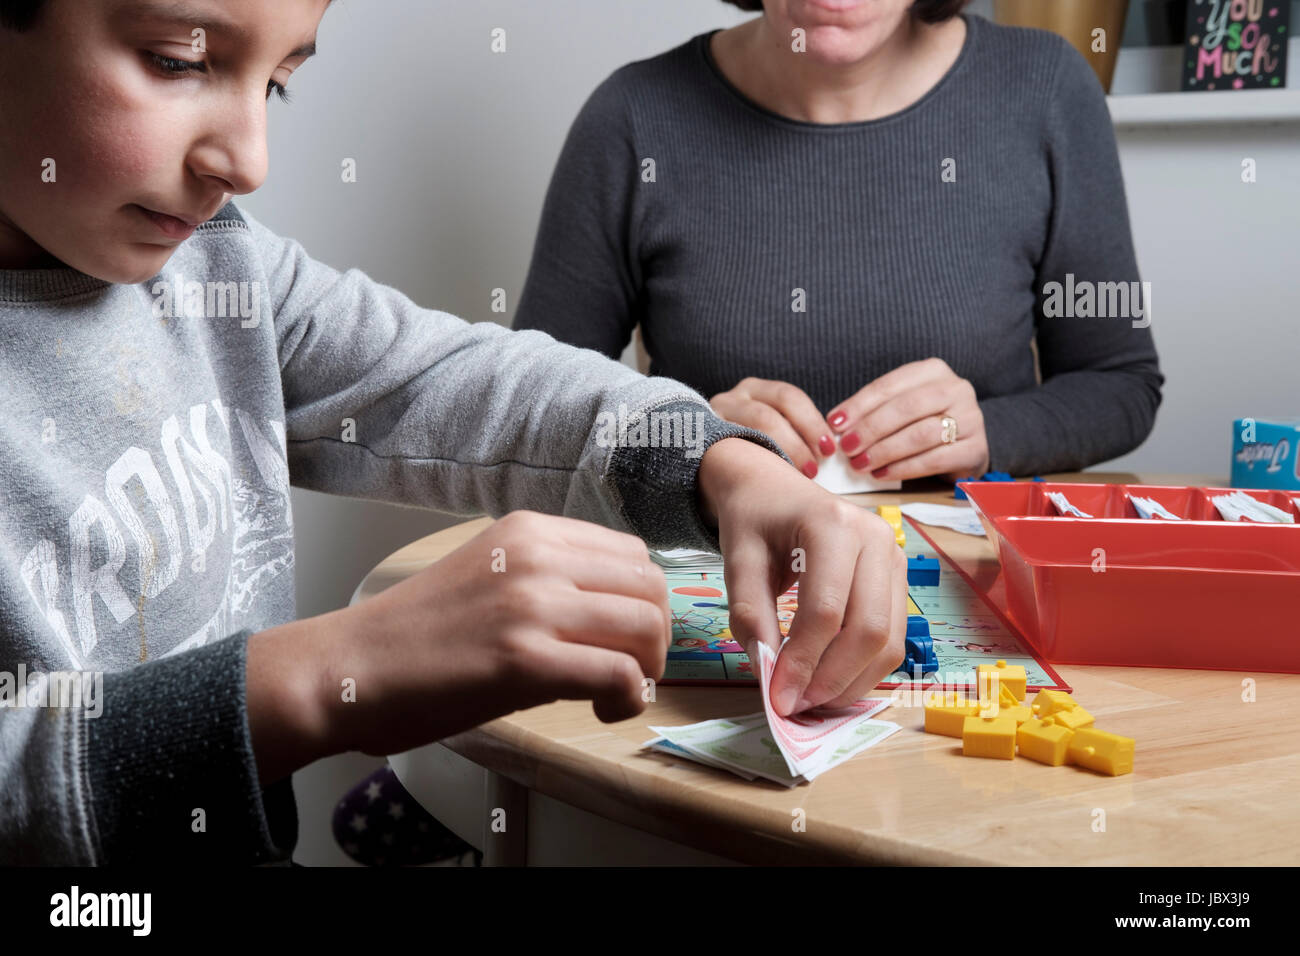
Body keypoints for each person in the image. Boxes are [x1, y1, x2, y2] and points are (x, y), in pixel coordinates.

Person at [0, 0, 907, 865]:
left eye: (276, 84)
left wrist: (720, 462)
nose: (248, 160)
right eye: (180, 61)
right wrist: (327, 675)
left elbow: (445, 377)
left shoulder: (221, 263)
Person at [514, 0, 1163, 483]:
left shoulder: (1048, 88)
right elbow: (533, 412)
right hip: (718, 579)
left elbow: (1120, 382)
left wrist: (994, 431)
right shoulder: (633, 116)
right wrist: (688, 436)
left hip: (972, 577)